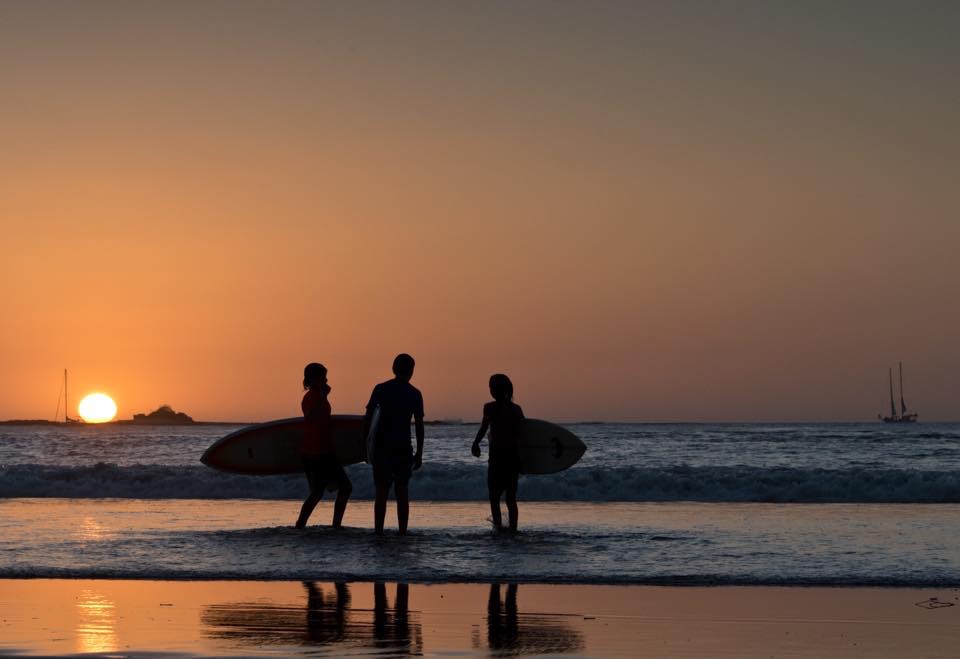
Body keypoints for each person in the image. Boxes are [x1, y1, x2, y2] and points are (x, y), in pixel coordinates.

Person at [361, 353, 424, 535]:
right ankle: (402, 532)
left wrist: (364, 444)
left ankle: (378, 531)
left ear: (393, 369)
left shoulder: (380, 389)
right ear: (412, 371)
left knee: (381, 492)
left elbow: (368, 418)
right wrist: (419, 453)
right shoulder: (414, 393)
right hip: (403, 447)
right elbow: (419, 427)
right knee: (402, 492)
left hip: (381, 447)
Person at [296, 362, 352, 529]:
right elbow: (310, 417)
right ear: (313, 379)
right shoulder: (309, 397)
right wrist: (323, 397)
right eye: (323, 376)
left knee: (328, 490)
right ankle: (304, 525)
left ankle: (308, 525)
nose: (326, 379)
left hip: (325, 451)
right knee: (324, 491)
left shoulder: (318, 396)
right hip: (315, 452)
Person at [471, 374, 524, 532]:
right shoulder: (515, 409)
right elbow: (524, 434)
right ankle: (509, 529)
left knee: (498, 498)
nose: (491, 390)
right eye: (490, 386)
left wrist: (475, 443)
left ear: (501, 389)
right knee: (508, 498)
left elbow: (484, 428)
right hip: (509, 458)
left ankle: (501, 529)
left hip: (500, 459)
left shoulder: (491, 408)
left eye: (492, 387)